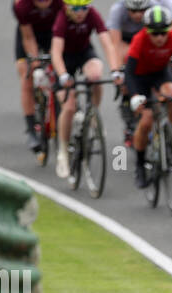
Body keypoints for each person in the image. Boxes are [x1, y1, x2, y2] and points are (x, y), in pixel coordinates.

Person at [51, 0, 121, 179]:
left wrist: (115, 70)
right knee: (69, 107)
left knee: (96, 75)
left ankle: (93, 114)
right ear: (67, 8)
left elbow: (107, 43)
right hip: (64, 60)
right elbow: (56, 52)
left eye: (84, 8)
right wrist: (63, 75)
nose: (80, 12)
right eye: (75, 9)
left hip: (83, 53)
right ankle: (63, 152)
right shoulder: (61, 19)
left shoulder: (92, 15)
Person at [125, 6, 172, 188]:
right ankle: (140, 164)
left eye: (163, 33)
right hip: (139, 77)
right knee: (146, 121)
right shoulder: (139, 39)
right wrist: (135, 95)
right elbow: (129, 72)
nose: (160, 38)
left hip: (160, 73)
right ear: (147, 31)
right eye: (155, 33)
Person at [13, 0, 62, 152]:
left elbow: (61, 32)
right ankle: (31, 130)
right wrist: (34, 62)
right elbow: (28, 38)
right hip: (29, 33)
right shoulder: (22, 6)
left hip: (53, 33)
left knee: (59, 70)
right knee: (27, 77)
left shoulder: (61, 3)